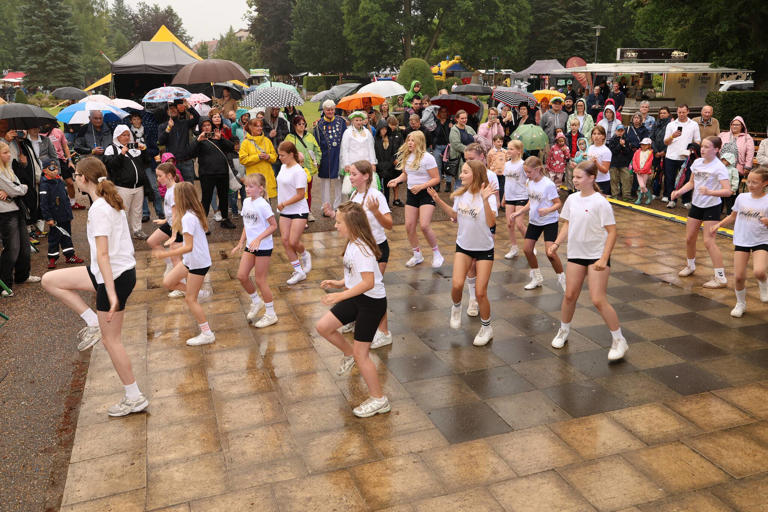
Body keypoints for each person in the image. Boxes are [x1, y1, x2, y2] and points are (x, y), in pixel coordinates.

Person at [41, 157, 147, 416]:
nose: (74, 178)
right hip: (106, 274)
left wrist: (109, 293)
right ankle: (91, 321)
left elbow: (103, 254)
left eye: (76, 174)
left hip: (115, 277)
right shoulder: (105, 202)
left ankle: (134, 397)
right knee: (50, 280)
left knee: (112, 342)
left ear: (84, 178)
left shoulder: (100, 208)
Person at [316, 202, 390, 418]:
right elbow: (356, 276)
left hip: (370, 304)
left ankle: (379, 399)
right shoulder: (351, 243)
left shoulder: (362, 249)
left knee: (362, 355)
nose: (335, 226)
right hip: (357, 297)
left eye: (339, 222)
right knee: (323, 327)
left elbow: (368, 283)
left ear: (353, 225)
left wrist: (340, 295)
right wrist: (339, 283)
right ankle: (349, 354)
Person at [548, 161, 627, 361]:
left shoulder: (601, 202)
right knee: (569, 295)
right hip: (576, 253)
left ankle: (619, 340)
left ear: (592, 178)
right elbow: (567, 223)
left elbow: (612, 232)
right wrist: (556, 243)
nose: (574, 180)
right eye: (573, 177)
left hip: (596, 255)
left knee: (597, 299)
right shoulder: (572, 199)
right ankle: (563, 330)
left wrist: (603, 258)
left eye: (579, 177)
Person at [324, 161, 394, 348]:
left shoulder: (376, 195)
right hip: (359, 247)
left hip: (376, 249)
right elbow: (348, 220)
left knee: (374, 290)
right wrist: (332, 214)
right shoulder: (354, 195)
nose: (351, 177)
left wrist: (376, 211)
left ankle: (384, 332)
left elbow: (389, 224)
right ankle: (355, 317)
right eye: (351, 174)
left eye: (354, 174)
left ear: (366, 176)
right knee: (358, 284)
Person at [427, 159, 496, 346]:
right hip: (463, 246)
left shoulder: (488, 195)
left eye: (465, 172)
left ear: (475, 174)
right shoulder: (460, 194)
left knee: (481, 292)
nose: (460, 175)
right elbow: (455, 216)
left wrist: (484, 200)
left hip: (484, 249)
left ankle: (487, 328)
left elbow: (492, 224)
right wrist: (438, 200)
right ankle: (456, 308)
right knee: (457, 285)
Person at [154, 181, 216, 346]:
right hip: (191, 260)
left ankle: (207, 333)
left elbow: (188, 246)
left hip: (198, 262)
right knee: (169, 282)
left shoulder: (189, 218)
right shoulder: (190, 213)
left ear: (181, 197)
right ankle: (198, 293)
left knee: (190, 300)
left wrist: (167, 253)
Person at [671, 136, 732, 288]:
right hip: (697, 205)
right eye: (702, 146)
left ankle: (720, 277)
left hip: (712, 206)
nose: (702, 149)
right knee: (689, 238)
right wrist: (679, 192)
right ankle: (690, 265)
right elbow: (691, 183)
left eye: (706, 147)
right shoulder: (697, 163)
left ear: (716, 149)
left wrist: (711, 192)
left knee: (708, 241)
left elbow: (728, 191)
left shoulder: (719, 167)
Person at [710, 167, 768, 317]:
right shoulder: (741, 197)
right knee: (739, 276)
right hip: (742, 239)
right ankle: (740, 303)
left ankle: (764, 283)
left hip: (761, 240)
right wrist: (718, 224)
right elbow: (732, 216)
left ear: (765, 183)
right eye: (748, 181)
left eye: (755, 182)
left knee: (759, 271)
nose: (750, 184)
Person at [387, 130, 443, 268]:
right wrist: (396, 180)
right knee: (409, 226)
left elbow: (436, 179)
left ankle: (437, 253)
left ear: (419, 142)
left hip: (426, 193)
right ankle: (417, 254)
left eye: (412, 140)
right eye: (408, 140)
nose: (409, 143)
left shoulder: (427, 158)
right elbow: (406, 175)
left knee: (424, 225)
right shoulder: (408, 156)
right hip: (412, 193)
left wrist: (421, 186)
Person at [510, 156, 566, 291]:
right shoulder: (529, 183)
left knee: (550, 253)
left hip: (549, 221)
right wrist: (519, 212)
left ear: (538, 169)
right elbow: (531, 202)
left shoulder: (548, 184)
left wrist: (548, 210)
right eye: (525, 172)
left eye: (529, 172)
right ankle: (537, 277)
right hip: (535, 221)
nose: (527, 175)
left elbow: (558, 203)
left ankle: (563, 279)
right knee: (527, 250)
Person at [232, 173, 279, 328]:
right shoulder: (246, 202)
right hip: (250, 246)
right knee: (242, 276)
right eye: (246, 186)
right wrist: (241, 242)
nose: (247, 189)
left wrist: (259, 238)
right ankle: (256, 301)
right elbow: (247, 224)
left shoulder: (263, 205)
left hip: (263, 247)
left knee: (260, 280)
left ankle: (271, 314)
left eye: (251, 186)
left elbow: (273, 226)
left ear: (260, 188)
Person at [103, 125, 150, 240]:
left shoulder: (135, 148)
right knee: (123, 210)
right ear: (117, 136)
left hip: (139, 186)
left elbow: (146, 162)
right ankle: (122, 233)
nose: (127, 137)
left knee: (137, 210)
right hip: (123, 187)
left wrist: (143, 150)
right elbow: (111, 165)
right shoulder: (111, 149)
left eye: (128, 134)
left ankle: (137, 230)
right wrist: (122, 154)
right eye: (123, 135)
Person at [188, 117, 236, 229]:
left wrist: (221, 139)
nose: (206, 127)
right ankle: (203, 224)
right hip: (207, 173)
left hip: (222, 172)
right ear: (200, 128)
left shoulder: (218, 136)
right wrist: (198, 140)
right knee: (206, 198)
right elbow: (190, 153)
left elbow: (232, 147)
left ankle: (225, 219)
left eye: (208, 125)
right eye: (204, 126)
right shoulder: (199, 139)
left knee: (223, 197)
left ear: (212, 126)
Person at [276, 141, 312, 285]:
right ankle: (298, 271)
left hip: (298, 210)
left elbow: (300, 194)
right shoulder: (283, 167)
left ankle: (304, 254)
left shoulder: (299, 171)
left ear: (291, 154)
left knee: (293, 241)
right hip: (284, 211)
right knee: (285, 241)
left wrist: (284, 203)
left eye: (282, 155)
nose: (280, 158)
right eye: (279, 155)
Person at [0, 141, 33, 297]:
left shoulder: (8, 169)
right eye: (5, 152)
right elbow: (16, 189)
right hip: (6, 213)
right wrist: (20, 189)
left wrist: (18, 189)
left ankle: (22, 276)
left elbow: (16, 188)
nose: (9, 155)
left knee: (25, 247)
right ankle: (4, 285)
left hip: (16, 209)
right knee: (12, 249)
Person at [147, 163, 184, 296]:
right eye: (157, 176)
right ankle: (169, 264)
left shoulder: (174, 190)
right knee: (152, 241)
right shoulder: (169, 189)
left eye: (160, 176)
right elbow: (171, 213)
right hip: (170, 223)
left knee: (176, 257)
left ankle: (182, 287)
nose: (157, 179)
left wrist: (173, 236)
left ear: (169, 176)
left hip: (177, 226)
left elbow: (176, 214)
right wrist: (164, 220)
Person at [39, 159, 83, 268]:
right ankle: (52, 258)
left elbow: (64, 198)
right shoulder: (44, 184)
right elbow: (43, 204)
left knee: (66, 236)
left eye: (56, 168)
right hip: (54, 217)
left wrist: (69, 213)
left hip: (65, 215)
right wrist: (48, 218)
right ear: (45, 170)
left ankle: (70, 256)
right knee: (54, 238)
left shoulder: (59, 180)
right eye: (52, 168)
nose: (55, 171)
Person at [663, 104, 701, 207]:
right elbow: (666, 142)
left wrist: (692, 148)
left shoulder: (693, 124)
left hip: (686, 157)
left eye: (683, 112)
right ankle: (672, 200)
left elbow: (698, 140)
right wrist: (672, 136)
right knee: (670, 179)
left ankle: (686, 200)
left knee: (688, 179)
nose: (681, 114)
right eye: (679, 112)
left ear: (688, 112)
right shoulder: (671, 125)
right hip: (671, 156)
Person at [285, 115, 322, 221]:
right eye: (299, 124)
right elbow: (285, 152)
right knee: (296, 192)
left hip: (308, 169)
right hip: (294, 169)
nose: (302, 126)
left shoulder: (310, 136)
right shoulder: (289, 138)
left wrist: (317, 161)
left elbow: (317, 150)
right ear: (294, 125)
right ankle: (296, 212)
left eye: (303, 124)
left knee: (307, 191)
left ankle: (308, 211)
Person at [128, 113, 162, 222]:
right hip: (136, 163)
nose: (136, 121)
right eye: (134, 119)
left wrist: (145, 149)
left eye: (138, 119)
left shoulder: (148, 131)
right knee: (141, 189)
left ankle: (160, 212)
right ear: (131, 121)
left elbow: (155, 149)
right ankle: (145, 213)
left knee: (154, 188)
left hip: (148, 163)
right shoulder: (128, 133)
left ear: (141, 120)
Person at [41, 121, 82, 209]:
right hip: (49, 162)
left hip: (61, 160)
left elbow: (65, 146)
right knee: (54, 184)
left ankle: (72, 203)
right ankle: (56, 204)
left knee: (70, 183)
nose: (46, 124)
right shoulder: (39, 133)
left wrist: (70, 161)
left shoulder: (58, 131)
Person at [315, 100, 347, 211]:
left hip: (338, 157)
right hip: (325, 158)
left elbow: (345, 140)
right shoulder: (319, 125)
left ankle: (338, 206)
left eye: (332, 109)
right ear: (324, 110)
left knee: (339, 183)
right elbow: (316, 143)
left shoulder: (341, 122)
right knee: (325, 185)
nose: (330, 111)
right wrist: (317, 160)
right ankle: (326, 207)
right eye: (328, 110)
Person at [158, 101, 200, 184]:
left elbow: (197, 118)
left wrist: (189, 107)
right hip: (172, 163)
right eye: (170, 109)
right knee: (175, 189)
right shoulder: (162, 126)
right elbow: (161, 141)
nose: (173, 110)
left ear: (177, 111)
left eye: (174, 108)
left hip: (186, 161)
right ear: (167, 112)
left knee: (189, 188)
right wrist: (169, 128)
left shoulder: (184, 123)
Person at [239, 118, 278, 200]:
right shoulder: (245, 143)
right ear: (250, 127)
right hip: (254, 179)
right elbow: (243, 160)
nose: (260, 128)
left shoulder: (267, 141)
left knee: (268, 207)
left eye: (261, 126)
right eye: (257, 126)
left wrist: (269, 157)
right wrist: (257, 157)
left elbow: (274, 157)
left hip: (267, 178)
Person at [340, 111, 377, 196]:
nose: (359, 122)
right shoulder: (347, 133)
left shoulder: (367, 133)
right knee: (353, 190)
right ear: (352, 121)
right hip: (353, 164)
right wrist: (346, 164)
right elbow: (344, 149)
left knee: (366, 188)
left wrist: (373, 163)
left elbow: (371, 148)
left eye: (360, 120)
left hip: (366, 164)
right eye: (356, 120)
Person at [503, 140, 529, 258]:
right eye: (508, 148)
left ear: (519, 151)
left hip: (521, 196)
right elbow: (507, 182)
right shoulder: (507, 164)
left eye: (511, 149)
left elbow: (529, 180)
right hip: (509, 196)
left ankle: (530, 245)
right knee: (509, 224)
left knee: (519, 224)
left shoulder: (523, 165)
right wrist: (504, 197)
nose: (508, 151)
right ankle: (514, 248)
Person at [374, 118, 403, 204]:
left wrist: (389, 164)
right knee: (378, 187)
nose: (384, 131)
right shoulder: (375, 140)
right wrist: (379, 165)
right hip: (379, 166)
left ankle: (386, 203)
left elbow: (393, 153)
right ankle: (378, 203)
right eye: (382, 129)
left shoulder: (390, 139)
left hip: (388, 166)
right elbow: (374, 154)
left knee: (387, 187)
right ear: (379, 129)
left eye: (385, 129)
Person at [607, 124, 633, 200]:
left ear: (624, 131)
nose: (620, 132)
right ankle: (615, 195)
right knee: (614, 180)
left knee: (626, 179)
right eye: (619, 131)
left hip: (624, 163)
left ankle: (626, 195)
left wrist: (624, 145)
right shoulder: (612, 140)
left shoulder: (626, 139)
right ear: (616, 131)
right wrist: (620, 145)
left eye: (622, 131)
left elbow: (628, 152)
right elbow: (613, 151)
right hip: (614, 163)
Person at [650, 106, 672, 198]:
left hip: (667, 153)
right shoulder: (656, 123)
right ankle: (655, 192)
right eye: (661, 113)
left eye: (664, 113)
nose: (662, 115)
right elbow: (652, 138)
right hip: (656, 152)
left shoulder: (672, 124)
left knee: (667, 174)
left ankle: (666, 194)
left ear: (669, 114)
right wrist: (655, 151)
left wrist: (664, 151)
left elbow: (672, 140)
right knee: (656, 173)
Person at [264, 107, 290, 177]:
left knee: (283, 177)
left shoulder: (282, 121)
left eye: (278, 109)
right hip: (269, 155)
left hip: (282, 154)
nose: (275, 111)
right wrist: (269, 135)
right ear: (269, 110)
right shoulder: (263, 122)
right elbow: (260, 139)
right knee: (272, 177)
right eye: (273, 109)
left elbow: (287, 136)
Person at [588, 126, 613, 195]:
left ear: (603, 136)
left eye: (599, 134)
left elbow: (605, 170)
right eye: (594, 134)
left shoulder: (606, 151)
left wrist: (596, 163)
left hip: (602, 181)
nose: (596, 136)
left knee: (600, 204)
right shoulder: (590, 148)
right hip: (591, 180)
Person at [632, 138, 654, 204]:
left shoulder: (650, 153)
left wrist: (642, 170)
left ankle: (640, 198)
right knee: (642, 185)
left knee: (642, 186)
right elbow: (634, 161)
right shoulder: (637, 152)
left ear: (649, 145)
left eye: (645, 145)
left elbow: (649, 163)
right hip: (638, 172)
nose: (643, 146)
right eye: (642, 144)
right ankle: (649, 197)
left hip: (645, 172)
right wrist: (636, 169)